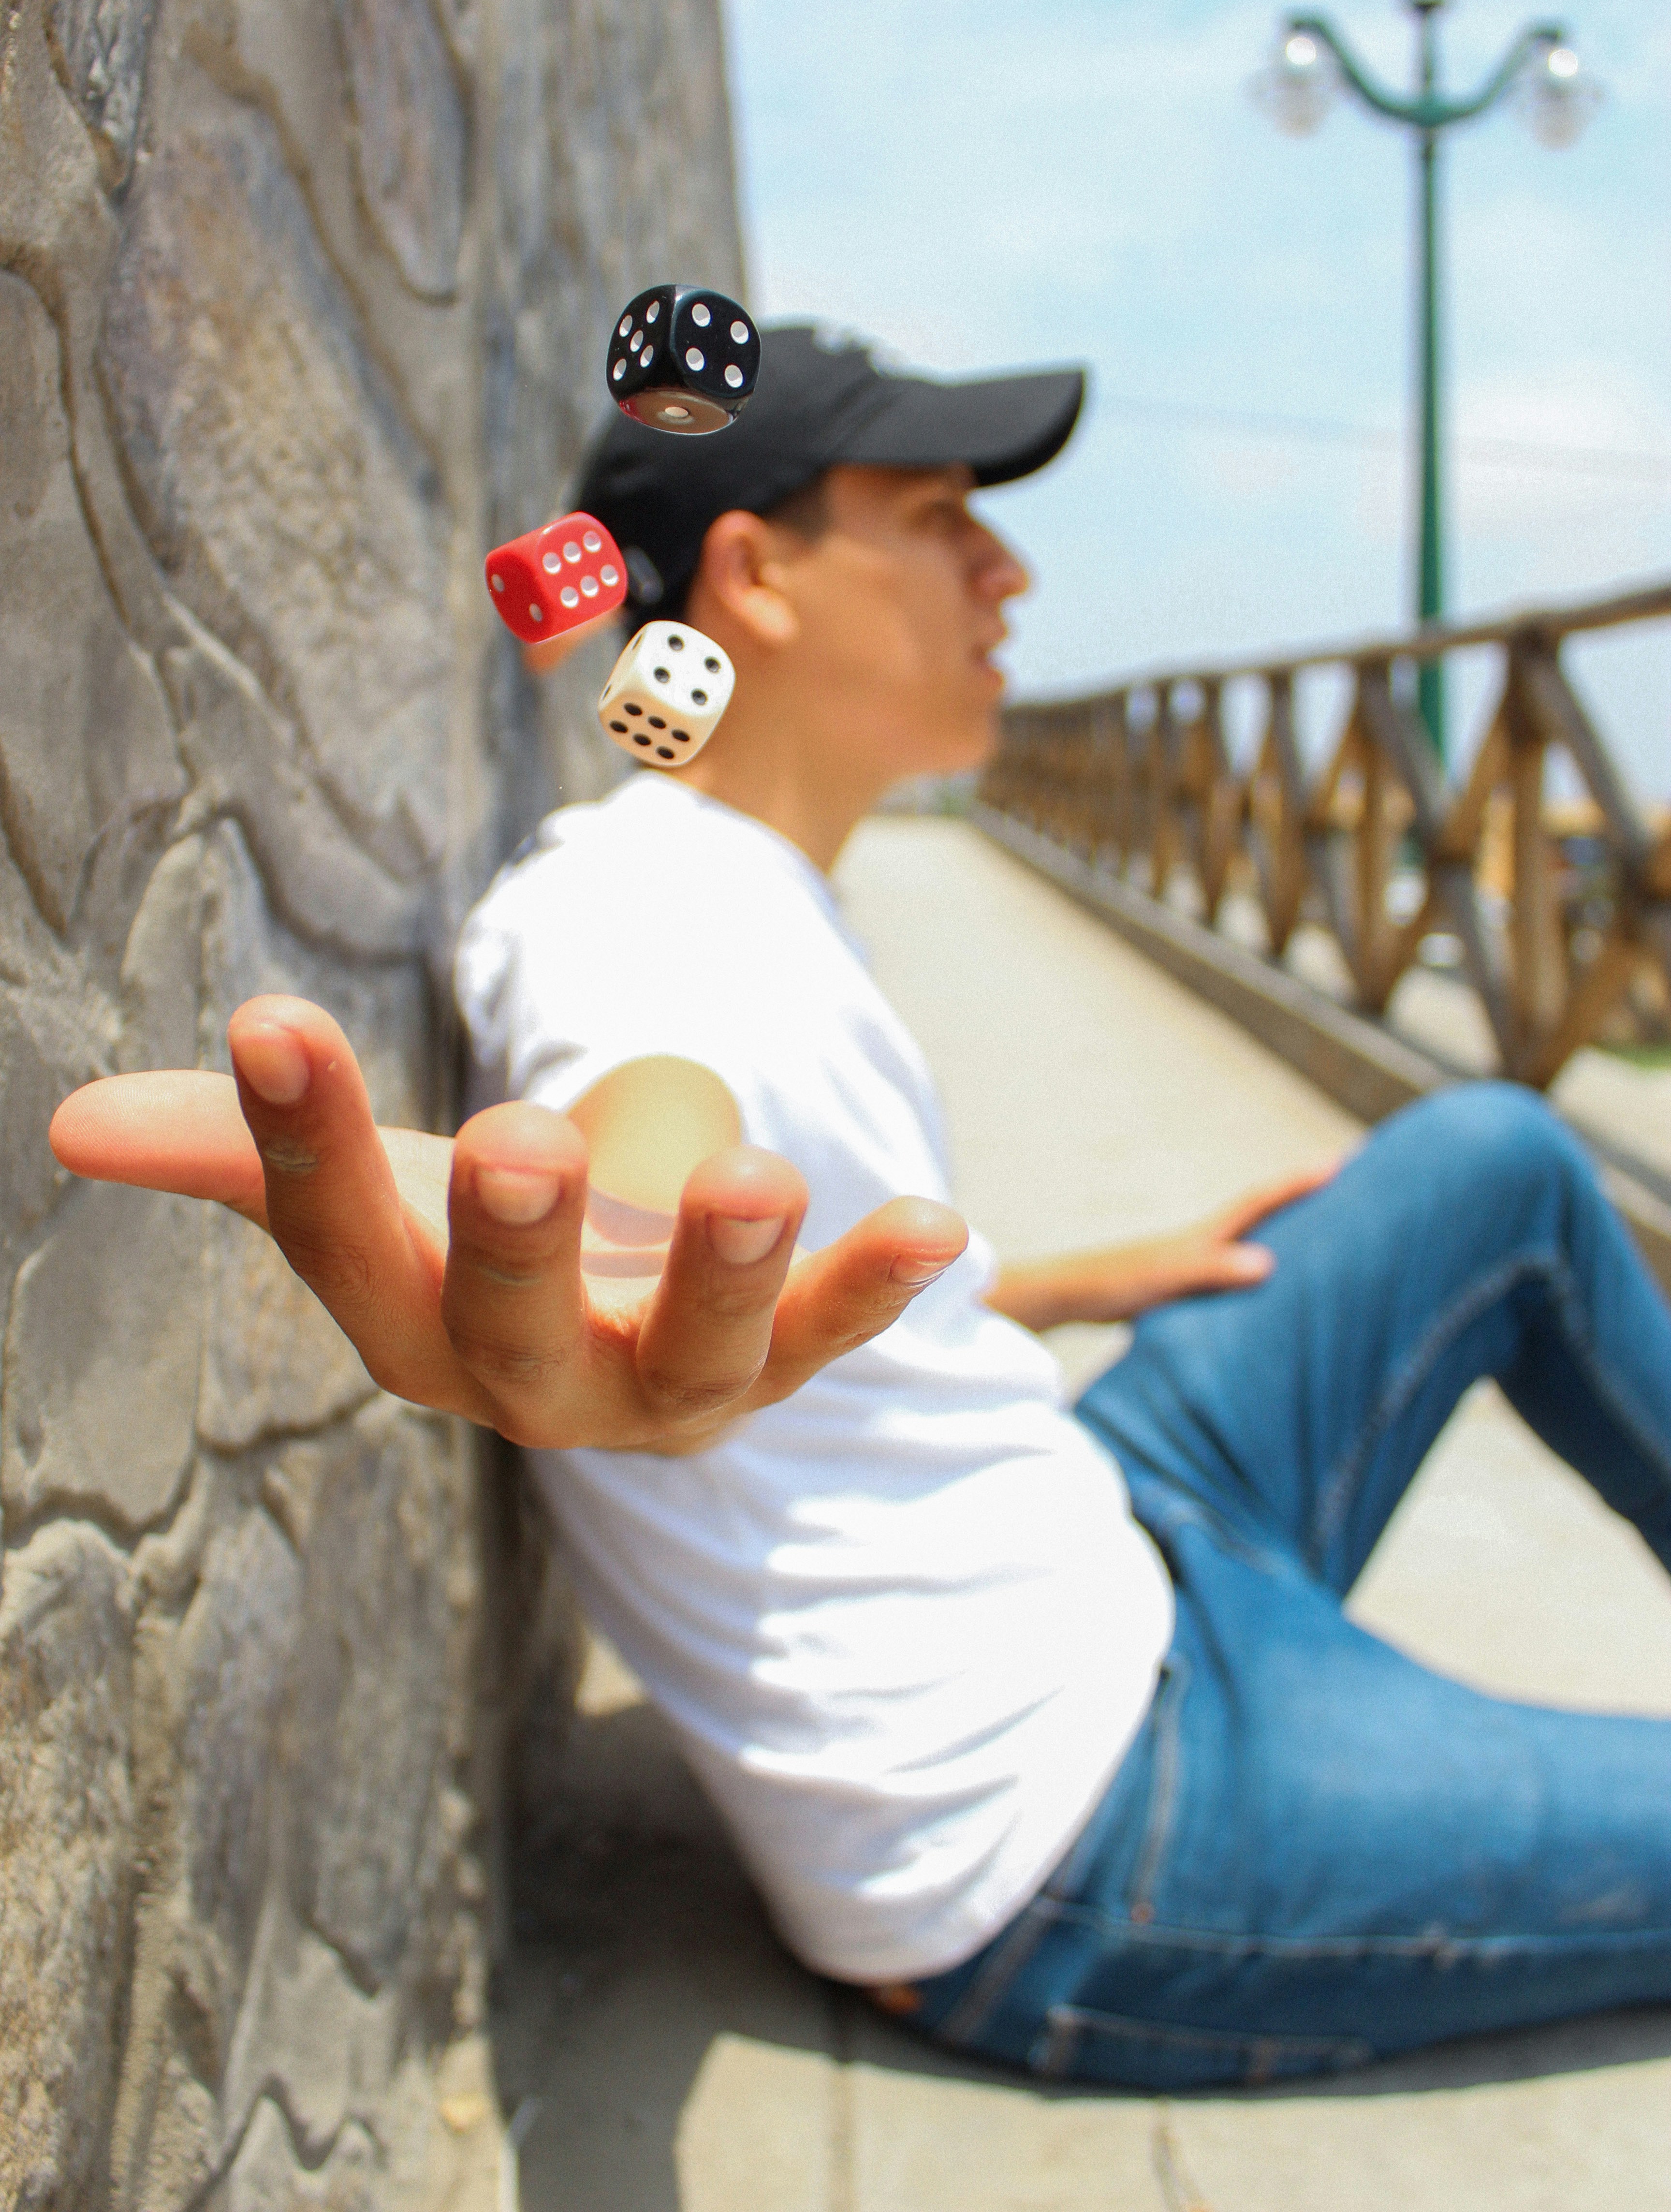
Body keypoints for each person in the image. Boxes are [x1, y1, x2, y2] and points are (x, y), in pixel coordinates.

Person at [54, 324, 1671, 2091]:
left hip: (1117, 1539)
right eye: (939, 517)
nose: (1011, 568)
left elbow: (787, 1185)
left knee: (1492, 1158)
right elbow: (655, 1130)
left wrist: (1041, 1284)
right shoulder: (640, 905)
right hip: (1070, 1824)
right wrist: (614, 1288)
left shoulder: (748, 876)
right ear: (756, 577)